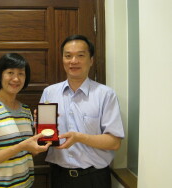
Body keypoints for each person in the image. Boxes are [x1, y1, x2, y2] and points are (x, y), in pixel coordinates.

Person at [39, 35, 125, 188]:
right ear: (62, 59)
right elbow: (43, 138)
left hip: (94, 178)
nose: (73, 61)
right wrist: (39, 125)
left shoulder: (105, 94)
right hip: (59, 177)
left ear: (91, 60)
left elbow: (114, 142)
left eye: (80, 55)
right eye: (68, 56)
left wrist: (79, 137)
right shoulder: (49, 93)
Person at [0, 53, 51, 188]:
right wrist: (22, 146)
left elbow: (31, 150)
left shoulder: (25, 110)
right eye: (10, 72)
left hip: (25, 184)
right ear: (0, 75)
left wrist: (43, 129)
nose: (16, 78)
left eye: (21, 74)